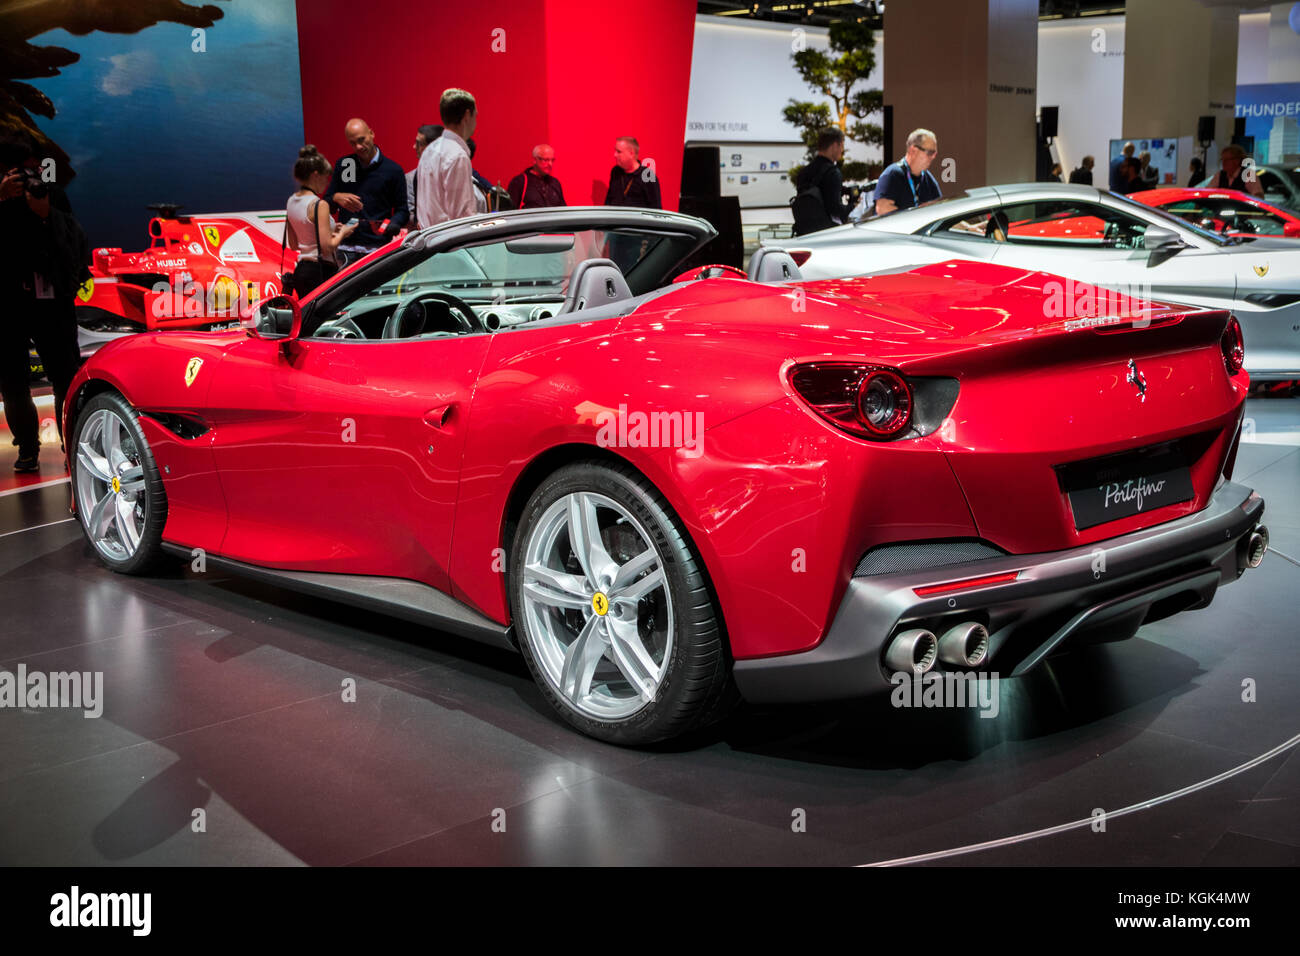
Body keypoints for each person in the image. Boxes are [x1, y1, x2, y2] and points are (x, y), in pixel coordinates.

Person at [0, 134, 87, 473]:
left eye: (35, 170)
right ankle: (27, 449)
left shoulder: (53, 197)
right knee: (12, 380)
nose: (31, 179)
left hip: (51, 299)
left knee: (65, 373)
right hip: (6, 302)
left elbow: (76, 245)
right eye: (22, 173)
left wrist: (46, 216)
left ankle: (73, 442)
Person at [322, 118, 408, 266]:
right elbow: (327, 203)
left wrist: (392, 224)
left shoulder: (393, 170)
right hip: (345, 248)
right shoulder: (344, 165)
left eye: (362, 140)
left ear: (371, 134)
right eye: (352, 143)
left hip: (377, 249)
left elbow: (403, 211)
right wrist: (336, 197)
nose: (359, 146)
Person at [285, 146, 356, 296]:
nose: (327, 182)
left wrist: (330, 230)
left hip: (301, 271)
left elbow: (293, 243)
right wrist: (343, 232)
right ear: (316, 175)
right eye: (326, 177)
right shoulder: (319, 205)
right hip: (321, 272)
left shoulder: (291, 201)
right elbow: (327, 247)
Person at [417, 88, 478, 227]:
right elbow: (462, 216)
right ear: (467, 115)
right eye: (476, 115)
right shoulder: (457, 155)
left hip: (429, 238)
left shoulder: (429, 150)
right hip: (449, 243)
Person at [874, 128, 942, 216]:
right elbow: (882, 209)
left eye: (935, 154)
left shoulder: (928, 179)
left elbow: (941, 211)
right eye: (930, 153)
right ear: (913, 150)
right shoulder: (892, 174)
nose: (933, 157)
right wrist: (919, 216)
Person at [792, 127, 848, 235]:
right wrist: (853, 206)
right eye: (842, 146)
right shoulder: (832, 173)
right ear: (835, 145)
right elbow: (835, 209)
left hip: (804, 231)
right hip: (825, 233)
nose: (842, 150)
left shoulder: (804, 172)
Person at [604, 136, 661, 209]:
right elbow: (608, 200)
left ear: (631, 153)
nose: (615, 155)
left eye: (619, 152)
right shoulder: (616, 171)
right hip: (615, 219)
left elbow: (656, 209)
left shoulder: (647, 176)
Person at [406, 124, 442, 230]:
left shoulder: (451, 174)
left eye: (419, 144)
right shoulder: (411, 177)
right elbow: (410, 213)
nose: (414, 147)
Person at [508, 144, 566, 209]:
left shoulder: (555, 183)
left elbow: (563, 210)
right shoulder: (520, 182)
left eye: (552, 160)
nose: (550, 164)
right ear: (535, 160)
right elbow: (510, 210)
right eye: (546, 160)